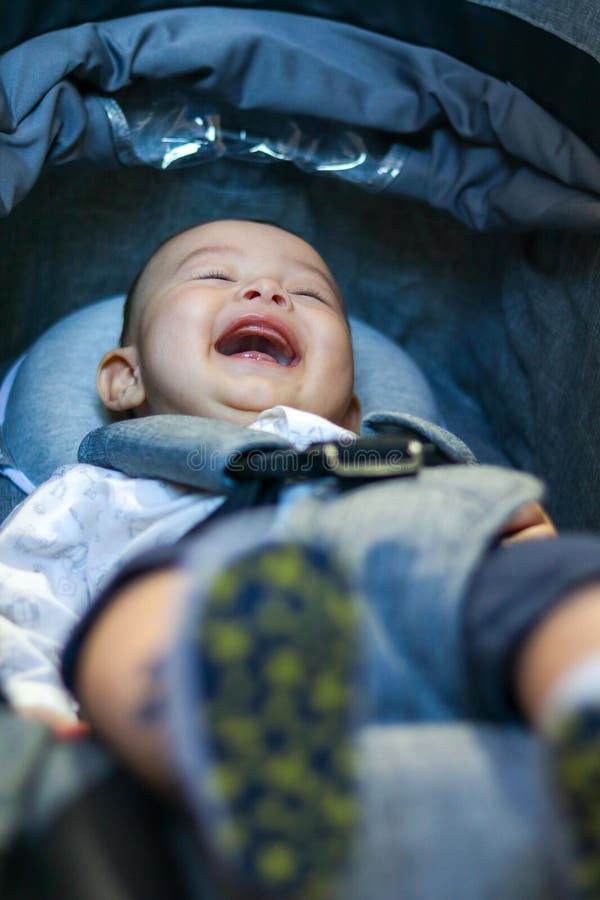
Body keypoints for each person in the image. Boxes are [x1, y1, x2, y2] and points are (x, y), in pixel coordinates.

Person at [0, 218, 598, 897]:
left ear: (351, 410)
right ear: (122, 380)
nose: (268, 291)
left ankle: (582, 692)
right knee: (139, 616)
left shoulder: (397, 461)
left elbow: (508, 538)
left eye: (309, 294)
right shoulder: (98, 493)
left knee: (550, 583)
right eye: (213, 276)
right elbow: (18, 608)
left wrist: (519, 540)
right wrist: (43, 717)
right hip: (216, 617)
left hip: (413, 610)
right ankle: (232, 758)